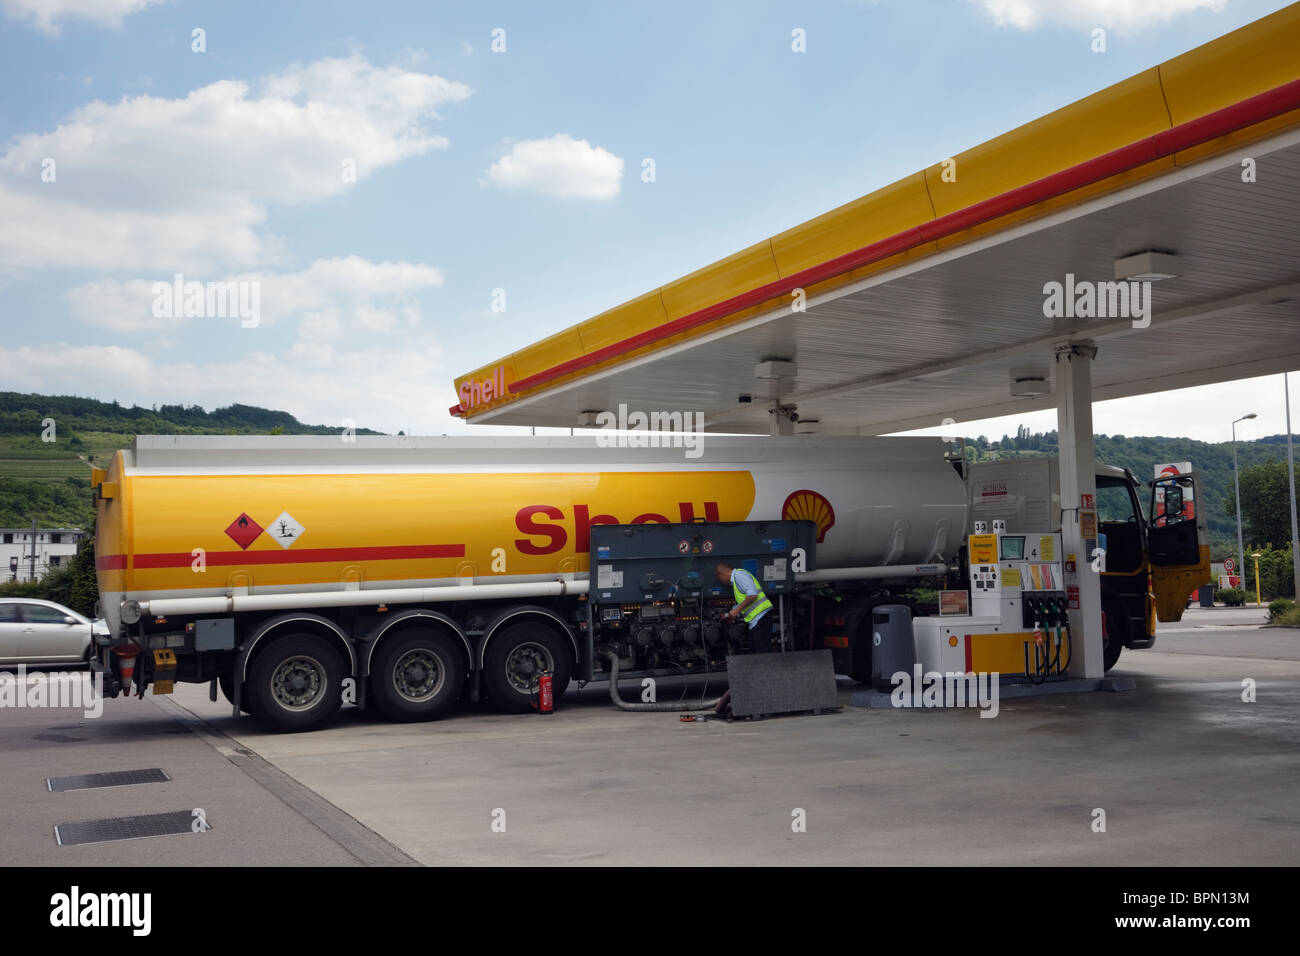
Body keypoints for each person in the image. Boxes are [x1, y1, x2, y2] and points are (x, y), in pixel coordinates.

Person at [714, 562, 775, 653]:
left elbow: (752, 595)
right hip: (756, 621)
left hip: (761, 618)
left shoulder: (739, 575)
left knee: (762, 653)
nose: (722, 582)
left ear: (722, 574)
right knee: (756, 653)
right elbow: (744, 601)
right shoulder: (735, 582)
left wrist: (736, 611)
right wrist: (731, 613)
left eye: (720, 579)